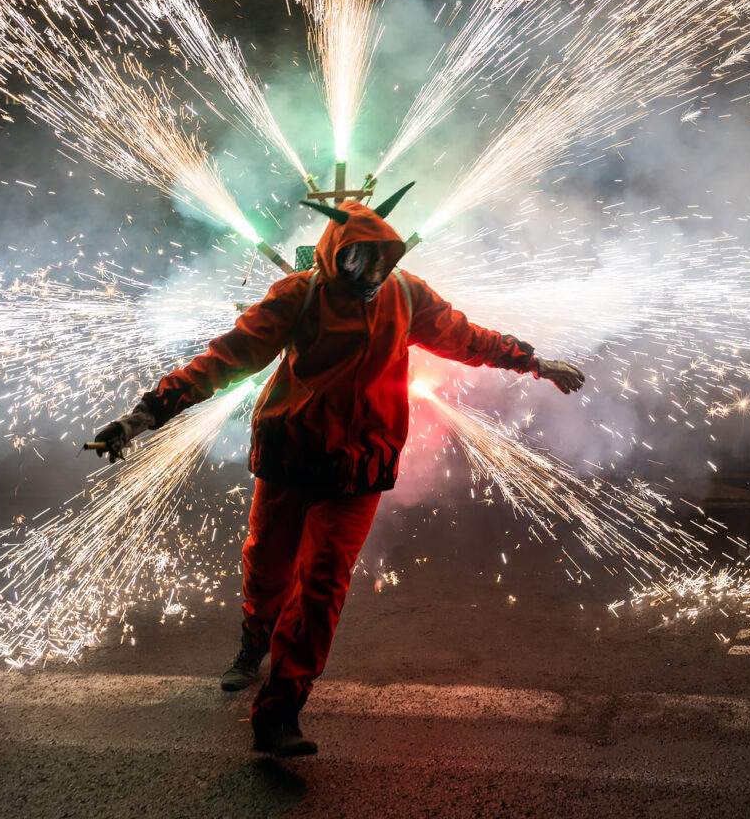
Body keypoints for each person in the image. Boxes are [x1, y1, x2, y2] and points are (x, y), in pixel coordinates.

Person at [92, 183, 585, 756]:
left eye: (381, 260)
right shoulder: (297, 295)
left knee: (320, 589)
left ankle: (279, 713)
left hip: (359, 468)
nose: (371, 275)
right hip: (290, 457)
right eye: (360, 261)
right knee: (267, 567)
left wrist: (535, 362)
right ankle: (254, 642)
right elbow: (226, 358)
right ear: (335, 256)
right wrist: (144, 414)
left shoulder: (406, 295)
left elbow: (466, 338)